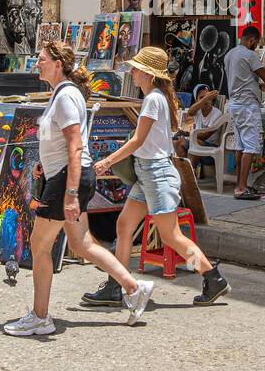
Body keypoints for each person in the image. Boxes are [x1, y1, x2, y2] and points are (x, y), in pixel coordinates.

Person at [4, 42, 152, 337]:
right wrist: (45, 166)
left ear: (58, 64)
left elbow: (75, 144)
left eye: (42, 59)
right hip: (66, 175)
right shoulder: (61, 94)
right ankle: (134, 288)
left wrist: (70, 193)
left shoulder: (66, 95)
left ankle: (40, 317)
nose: (37, 63)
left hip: (68, 180)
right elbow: (61, 143)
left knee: (39, 244)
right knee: (82, 244)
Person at [86, 46, 229, 308]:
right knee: (124, 225)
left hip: (156, 173)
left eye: (137, 69)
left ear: (149, 74)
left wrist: (107, 161)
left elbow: (138, 139)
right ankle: (115, 284)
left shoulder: (153, 99)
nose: (132, 73)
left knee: (171, 236)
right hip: (148, 172)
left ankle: (212, 277)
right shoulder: (158, 97)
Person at [222, 26, 265, 200]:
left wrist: (257, 85)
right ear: (252, 40)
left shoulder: (230, 54)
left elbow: (242, 78)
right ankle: (241, 188)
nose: (256, 45)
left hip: (234, 104)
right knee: (250, 146)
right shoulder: (250, 55)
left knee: (241, 146)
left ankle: (240, 185)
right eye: (256, 42)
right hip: (247, 106)